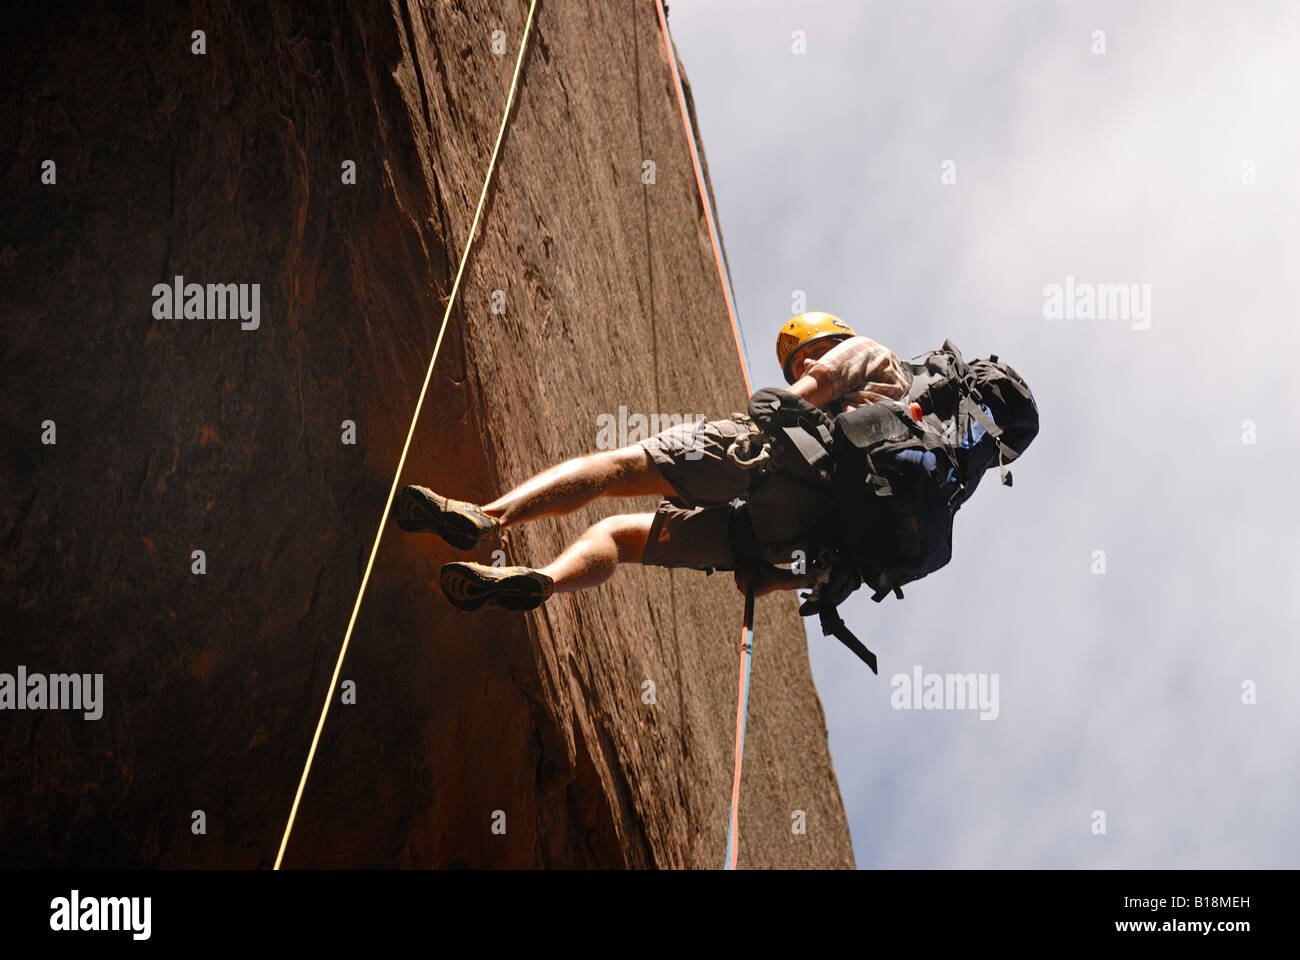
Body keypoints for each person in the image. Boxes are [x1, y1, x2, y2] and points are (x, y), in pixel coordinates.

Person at [395, 312, 912, 611]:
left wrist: (784, 398)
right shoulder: (901, 452)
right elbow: (842, 568)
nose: (804, 361)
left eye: (806, 350)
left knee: (622, 466)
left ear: (833, 339)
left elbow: (811, 390)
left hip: (769, 459)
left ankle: (487, 518)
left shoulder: (865, 349)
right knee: (619, 537)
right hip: (787, 534)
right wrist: (775, 580)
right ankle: (545, 580)